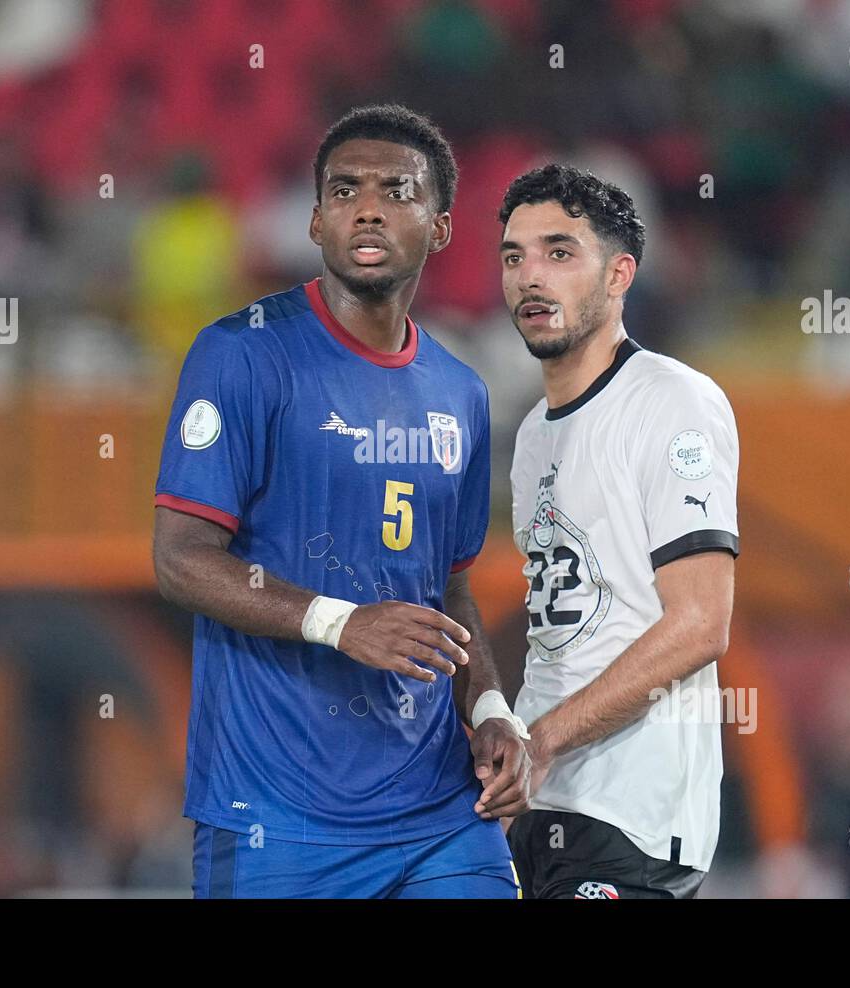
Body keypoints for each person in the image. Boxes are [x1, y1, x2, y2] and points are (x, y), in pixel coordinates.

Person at [152, 105, 530, 899]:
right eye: (345, 189)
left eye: (398, 191)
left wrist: (492, 707)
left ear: (441, 227)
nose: (368, 206)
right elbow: (180, 559)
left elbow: (450, 589)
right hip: (275, 818)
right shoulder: (242, 355)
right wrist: (342, 622)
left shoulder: (461, 394)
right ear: (316, 222)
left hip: (438, 812)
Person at [499, 164, 739, 899]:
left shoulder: (674, 403)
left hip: (632, 812)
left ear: (618, 275)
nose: (530, 277)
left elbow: (701, 623)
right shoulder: (532, 433)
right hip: (539, 809)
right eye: (514, 257)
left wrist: (541, 741)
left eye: (559, 252)